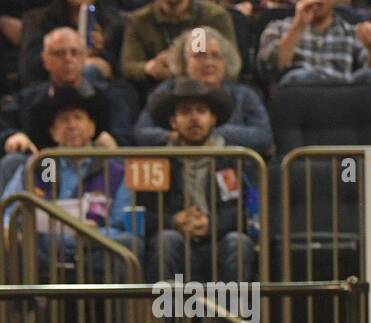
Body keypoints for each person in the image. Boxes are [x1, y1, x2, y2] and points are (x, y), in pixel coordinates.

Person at [0, 86, 142, 271]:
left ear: (92, 127)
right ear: (53, 132)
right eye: (64, 120)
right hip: (41, 253)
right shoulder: (40, 165)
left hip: (94, 252)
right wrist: (11, 230)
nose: (72, 125)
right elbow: (8, 210)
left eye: (78, 117)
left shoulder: (115, 170)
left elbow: (123, 224)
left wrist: (96, 234)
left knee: (128, 243)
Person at [137, 78, 259, 282]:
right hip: (174, 241)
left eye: (201, 111)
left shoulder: (234, 160)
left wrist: (212, 224)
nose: (194, 118)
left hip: (219, 240)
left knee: (238, 242)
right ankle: (163, 315)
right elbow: (141, 215)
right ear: (173, 121)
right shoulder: (156, 161)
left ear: (213, 119)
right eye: (185, 111)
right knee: (166, 240)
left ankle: (232, 315)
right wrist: (173, 221)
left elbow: (245, 211)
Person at [0, 28, 133, 191]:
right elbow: (4, 125)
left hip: (93, 165)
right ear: (45, 60)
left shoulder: (111, 96)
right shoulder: (26, 98)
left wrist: (109, 140)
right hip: (45, 169)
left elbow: (124, 138)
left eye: (74, 52)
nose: (68, 59)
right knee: (12, 162)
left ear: (85, 57)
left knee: (117, 162)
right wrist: (12, 135)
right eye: (59, 54)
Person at [133, 26, 273, 156]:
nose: (209, 62)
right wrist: (176, 137)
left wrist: (206, 133)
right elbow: (142, 132)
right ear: (184, 61)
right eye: (200, 55)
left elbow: (263, 137)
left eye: (216, 56)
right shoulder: (167, 91)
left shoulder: (244, 95)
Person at [258, 0, 371, 89]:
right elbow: (269, 67)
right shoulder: (278, 28)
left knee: (369, 78)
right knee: (298, 77)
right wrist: (298, 27)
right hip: (299, 102)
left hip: (341, 100)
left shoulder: (351, 31)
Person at [120, 0, 239, 87]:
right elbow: (128, 65)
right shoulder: (139, 20)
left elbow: (231, 62)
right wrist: (149, 67)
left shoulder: (214, 15)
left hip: (211, 84)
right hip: (159, 86)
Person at [20, 0, 125, 86]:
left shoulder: (114, 22)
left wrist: (101, 53)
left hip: (103, 88)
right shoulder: (37, 20)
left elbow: (121, 67)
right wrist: (78, 62)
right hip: (49, 89)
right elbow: (30, 67)